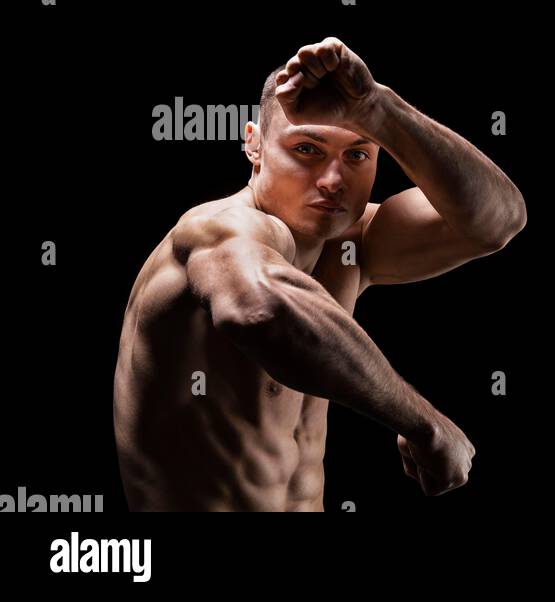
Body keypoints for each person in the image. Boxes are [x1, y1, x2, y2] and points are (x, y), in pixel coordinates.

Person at [114, 38, 526, 511]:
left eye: (357, 155)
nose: (333, 180)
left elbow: (498, 222)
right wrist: (421, 421)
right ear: (253, 144)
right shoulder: (214, 230)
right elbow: (260, 309)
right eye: (307, 149)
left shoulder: (353, 245)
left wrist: (379, 109)